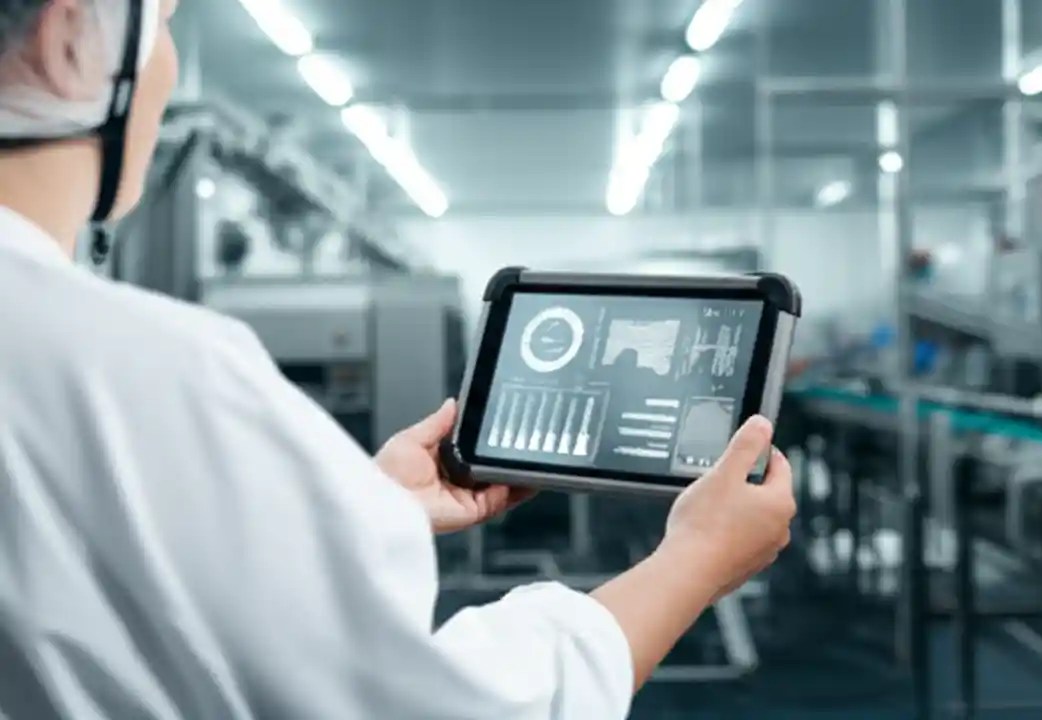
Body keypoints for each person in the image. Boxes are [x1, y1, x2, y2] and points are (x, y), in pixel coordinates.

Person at [0, 1, 797, 718]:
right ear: (71, 42)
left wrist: (358, 509)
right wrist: (695, 560)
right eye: (167, 22)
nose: (170, 66)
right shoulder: (150, 372)